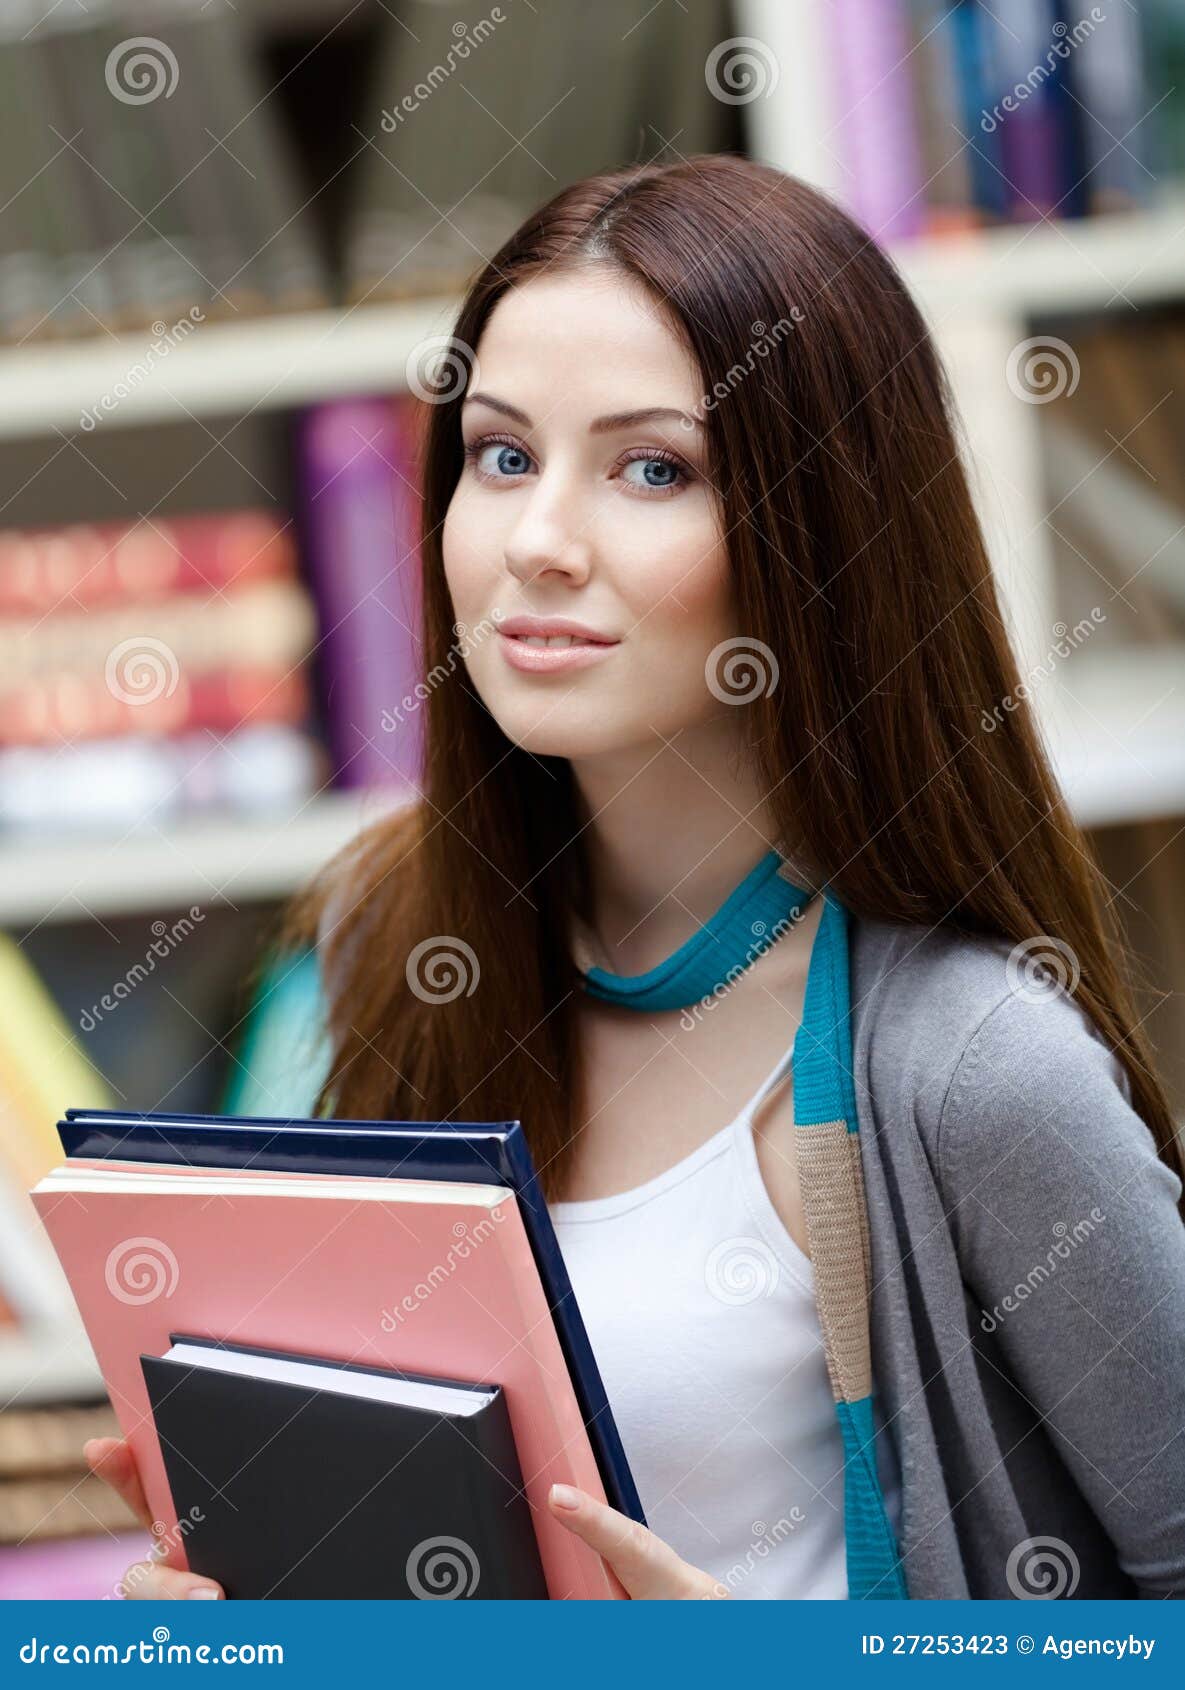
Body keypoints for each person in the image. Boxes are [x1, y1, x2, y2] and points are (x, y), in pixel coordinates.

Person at [87, 154, 1185, 1600]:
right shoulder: (385, 935)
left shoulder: (973, 1066)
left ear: (823, 538)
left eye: (651, 467)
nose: (537, 542)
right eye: (500, 454)